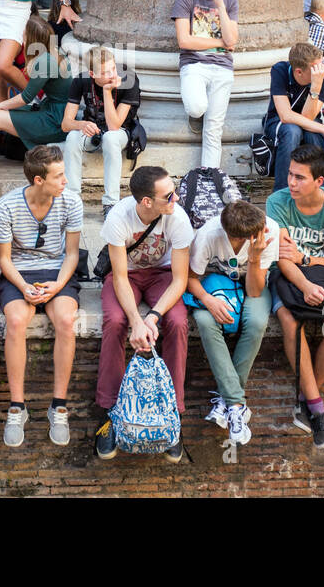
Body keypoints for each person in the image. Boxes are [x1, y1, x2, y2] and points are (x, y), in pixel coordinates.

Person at [93, 166, 195, 463]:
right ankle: (110, 413)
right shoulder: (119, 218)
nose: (175, 198)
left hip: (163, 276)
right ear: (146, 202)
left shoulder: (178, 217)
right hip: (128, 277)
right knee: (115, 322)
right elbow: (121, 276)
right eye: (168, 195)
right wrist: (137, 321)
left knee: (176, 322)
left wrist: (151, 317)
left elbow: (179, 279)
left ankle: (172, 416)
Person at [0, 146, 84, 447]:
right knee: (17, 321)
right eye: (58, 176)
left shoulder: (71, 201)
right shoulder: (6, 207)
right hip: (19, 273)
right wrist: (23, 288)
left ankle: (58, 405)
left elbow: (72, 253)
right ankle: (17, 407)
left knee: (65, 321)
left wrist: (58, 285)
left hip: (57, 272)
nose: (65, 181)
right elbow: (4, 260)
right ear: (38, 180)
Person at [267, 145, 324, 449]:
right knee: (289, 321)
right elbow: (281, 259)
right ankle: (316, 406)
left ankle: (305, 399)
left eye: (300, 177)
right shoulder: (277, 203)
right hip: (287, 277)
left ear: (319, 181)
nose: (291, 182)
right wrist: (304, 283)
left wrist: (304, 258)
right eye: (290, 174)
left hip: (323, 275)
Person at [187, 200, 277, 446]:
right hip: (213, 284)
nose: (244, 243)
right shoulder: (208, 234)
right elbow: (191, 278)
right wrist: (209, 301)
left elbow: (256, 291)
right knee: (205, 320)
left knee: (257, 322)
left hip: (254, 284)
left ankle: (227, 401)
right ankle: (236, 405)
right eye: (240, 240)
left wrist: (255, 258)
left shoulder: (270, 232)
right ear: (229, 234)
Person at [172, 0, 239, 168]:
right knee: (196, 107)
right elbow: (184, 41)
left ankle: (208, 179)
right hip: (194, 65)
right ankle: (197, 115)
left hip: (222, 69)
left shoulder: (229, 1)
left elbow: (233, 38)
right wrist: (221, 44)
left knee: (214, 128)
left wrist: (219, 5)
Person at [62, 46, 141, 217]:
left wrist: (107, 91)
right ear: (92, 74)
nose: (112, 75)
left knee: (111, 138)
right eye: (105, 72)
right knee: (72, 137)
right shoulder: (81, 80)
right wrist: (81, 125)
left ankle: (111, 203)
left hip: (121, 131)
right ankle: (73, 201)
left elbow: (114, 125)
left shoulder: (129, 78)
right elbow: (66, 124)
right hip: (93, 130)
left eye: (113, 68)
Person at [0, 13, 73, 152]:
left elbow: (26, 97)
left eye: (23, 33)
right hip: (55, 112)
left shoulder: (45, 61)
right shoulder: (52, 51)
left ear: (30, 38)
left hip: (55, 121)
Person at [262, 41, 324, 193]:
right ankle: (282, 195)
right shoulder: (280, 70)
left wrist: (315, 87)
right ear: (299, 72)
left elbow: (308, 117)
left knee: (312, 133)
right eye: (316, 69)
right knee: (292, 131)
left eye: (322, 65)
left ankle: (323, 194)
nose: (321, 71)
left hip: (310, 121)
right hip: (278, 121)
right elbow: (285, 115)